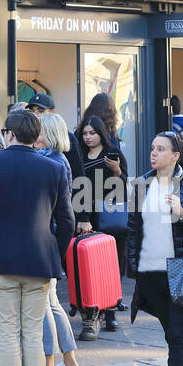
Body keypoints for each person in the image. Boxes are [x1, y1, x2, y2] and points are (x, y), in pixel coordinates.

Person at [0, 110, 72, 366]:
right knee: (33, 334)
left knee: (7, 335)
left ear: (10, 134)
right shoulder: (55, 168)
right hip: (39, 263)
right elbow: (67, 222)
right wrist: (53, 254)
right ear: (36, 136)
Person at [126, 131, 183, 366]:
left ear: (176, 155)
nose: (153, 153)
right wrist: (135, 268)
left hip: (182, 272)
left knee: (177, 335)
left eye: (161, 149)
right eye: (153, 148)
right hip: (150, 273)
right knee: (171, 334)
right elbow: (134, 230)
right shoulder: (142, 185)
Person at [66, 114, 128, 339]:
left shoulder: (113, 154)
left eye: (93, 133)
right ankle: (95, 310)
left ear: (102, 133)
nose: (89, 137)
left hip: (110, 215)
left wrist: (117, 171)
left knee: (112, 264)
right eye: (85, 133)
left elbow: (123, 187)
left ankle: (110, 310)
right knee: (90, 265)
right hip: (86, 214)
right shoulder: (78, 155)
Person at [36, 112, 78, 366]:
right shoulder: (56, 159)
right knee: (51, 302)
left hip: (46, 237)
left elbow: (61, 213)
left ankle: (50, 358)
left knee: (44, 304)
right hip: (51, 237)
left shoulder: (51, 161)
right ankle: (69, 357)